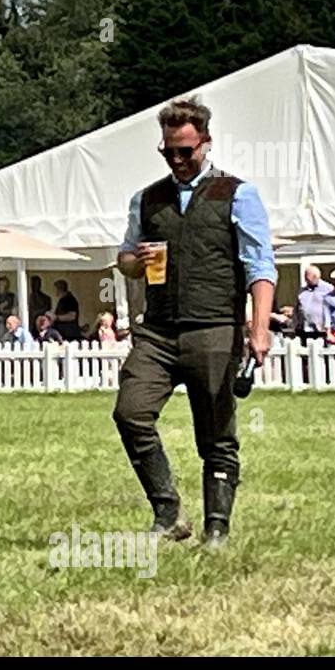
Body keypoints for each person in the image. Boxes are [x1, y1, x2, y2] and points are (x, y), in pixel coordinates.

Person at [113, 95, 276, 550]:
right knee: (130, 413)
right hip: (159, 330)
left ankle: (217, 528)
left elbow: (261, 266)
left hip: (215, 328)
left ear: (206, 143)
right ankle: (167, 511)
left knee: (216, 433)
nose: (179, 160)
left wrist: (259, 330)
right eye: (169, 152)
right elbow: (125, 259)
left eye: (187, 151)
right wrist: (134, 261)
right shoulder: (146, 200)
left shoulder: (237, 194)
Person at [292, 265, 332, 342]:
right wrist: (295, 324)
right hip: (305, 329)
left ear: (316, 276)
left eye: (307, 278)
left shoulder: (328, 289)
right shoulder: (302, 291)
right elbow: (297, 308)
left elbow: (330, 309)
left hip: (321, 329)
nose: (306, 280)